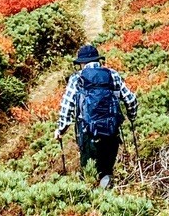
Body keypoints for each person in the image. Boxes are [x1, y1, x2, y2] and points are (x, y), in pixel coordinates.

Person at [56, 44, 138, 188]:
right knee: (107, 170)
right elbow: (130, 100)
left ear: (81, 63)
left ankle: (94, 203)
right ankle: (109, 197)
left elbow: (66, 107)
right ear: (98, 60)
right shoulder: (112, 75)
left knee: (89, 172)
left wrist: (60, 130)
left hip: (87, 132)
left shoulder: (77, 78)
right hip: (111, 130)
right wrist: (131, 117)